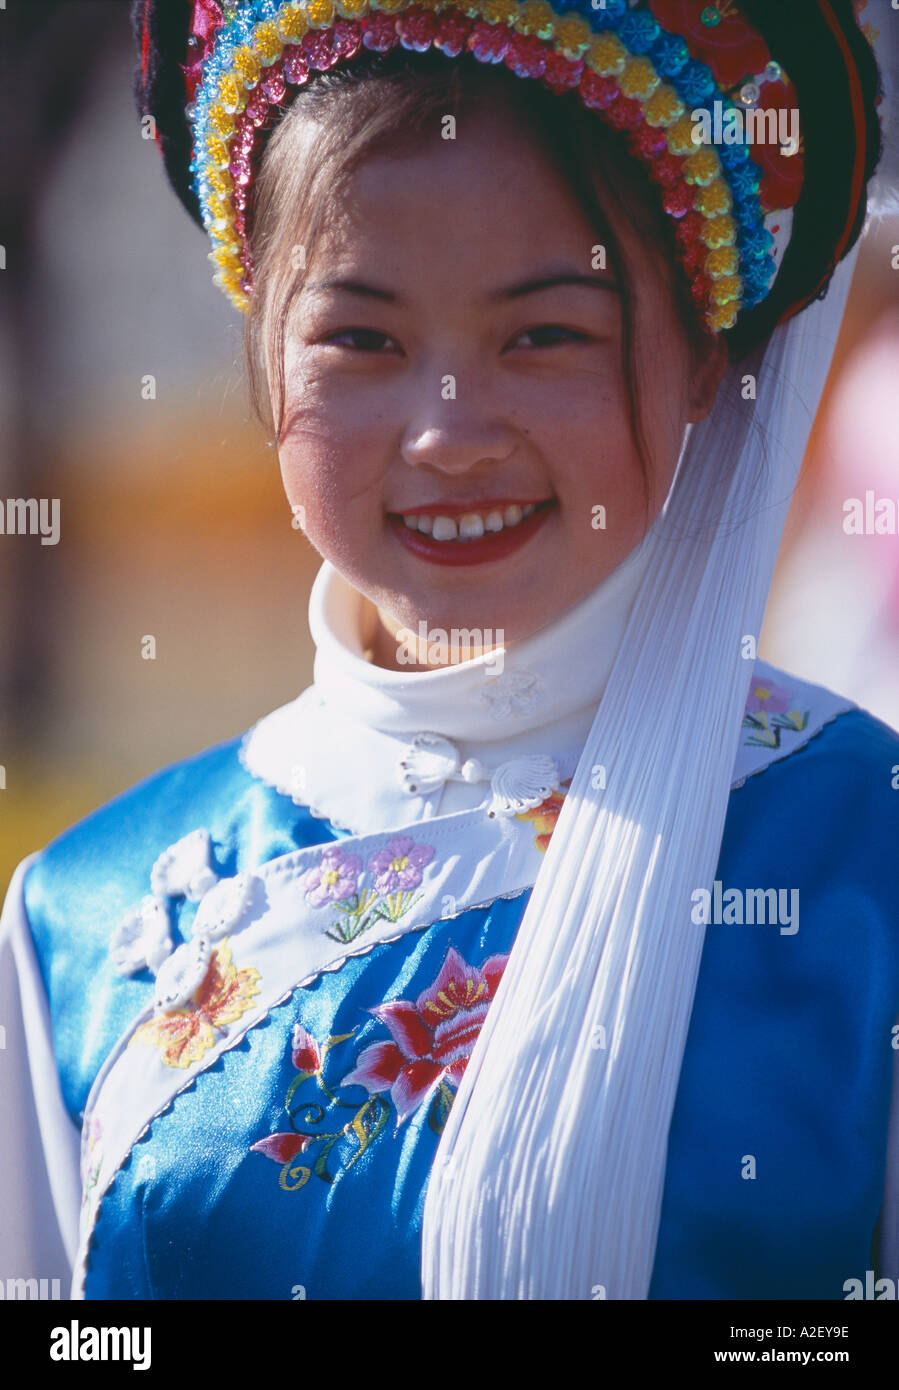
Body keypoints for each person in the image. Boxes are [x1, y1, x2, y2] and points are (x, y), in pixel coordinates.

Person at [1, 0, 896, 1301]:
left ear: (707, 354)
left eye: (546, 334)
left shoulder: (860, 858)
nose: (449, 435)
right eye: (361, 339)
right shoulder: (86, 925)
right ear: (259, 359)